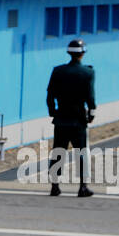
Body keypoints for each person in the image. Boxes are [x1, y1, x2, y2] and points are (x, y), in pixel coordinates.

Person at [46, 38, 96, 197]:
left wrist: (52, 111)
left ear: (69, 52)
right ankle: (82, 187)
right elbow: (90, 97)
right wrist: (91, 113)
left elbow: (50, 94)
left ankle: (54, 186)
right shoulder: (88, 72)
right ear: (82, 54)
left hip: (61, 118)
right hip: (78, 119)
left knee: (58, 152)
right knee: (81, 153)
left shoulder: (58, 71)